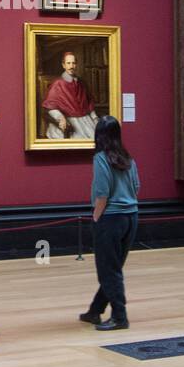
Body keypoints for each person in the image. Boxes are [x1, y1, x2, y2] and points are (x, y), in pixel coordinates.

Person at [79, 115, 139, 331]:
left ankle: (120, 316)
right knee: (113, 267)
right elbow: (137, 186)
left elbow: (102, 193)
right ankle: (95, 310)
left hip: (111, 219)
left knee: (108, 270)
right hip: (131, 217)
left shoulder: (101, 159)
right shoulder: (128, 158)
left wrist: (96, 216)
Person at [42, 51, 98, 138]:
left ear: (76, 65)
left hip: (84, 119)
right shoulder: (58, 84)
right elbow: (50, 106)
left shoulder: (81, 83)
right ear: (63, 65)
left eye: (73, 63)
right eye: (68, 63)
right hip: (67, 120)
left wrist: (94, 118)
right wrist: (61, 118)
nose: (71, 66)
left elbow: (88, 102)